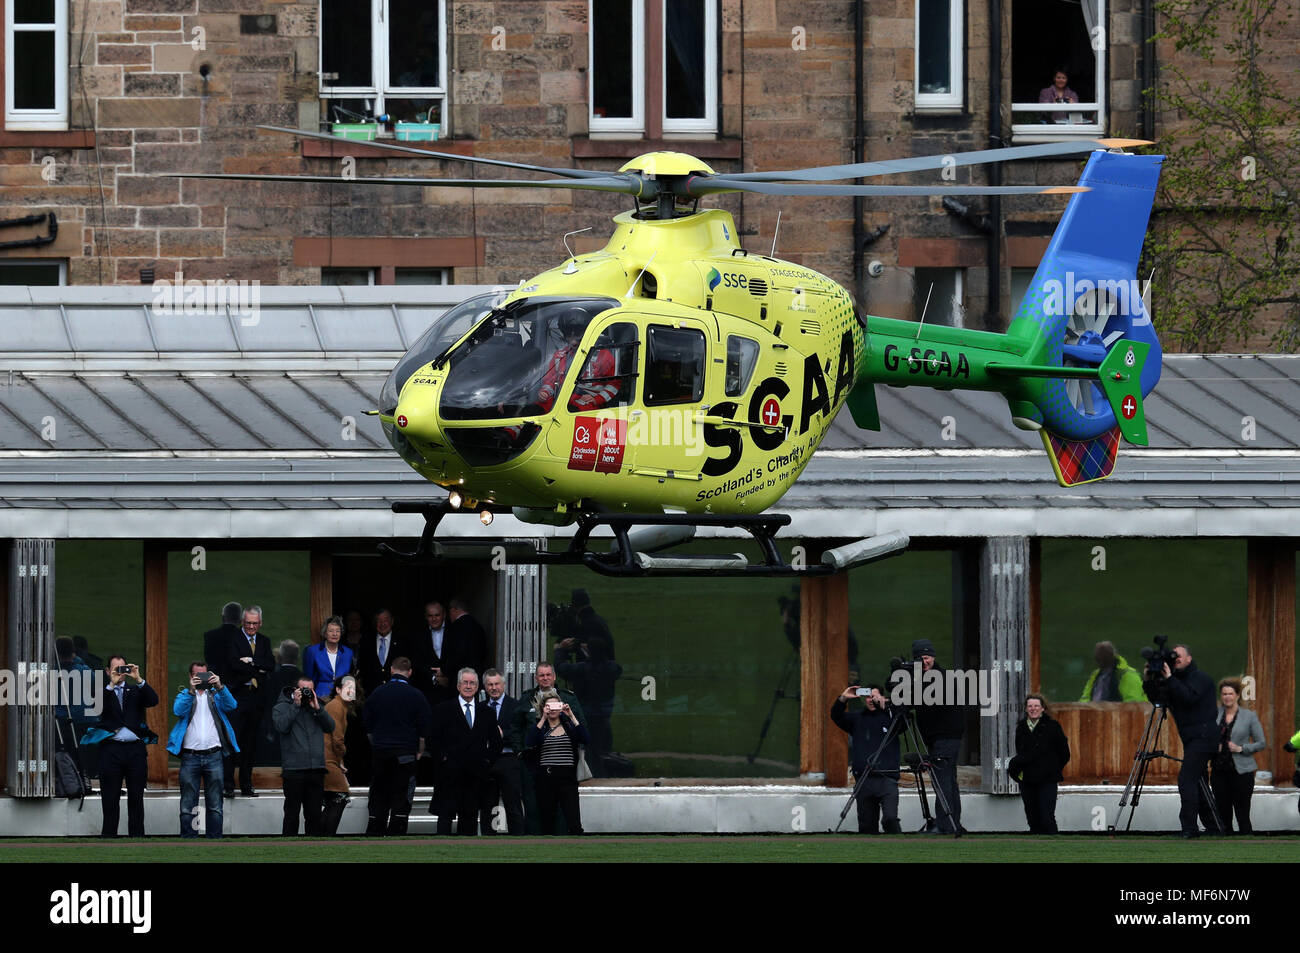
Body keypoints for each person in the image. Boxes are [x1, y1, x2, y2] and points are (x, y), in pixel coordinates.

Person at [1144, 641, 1219, 837]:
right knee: (1199, 781)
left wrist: (1169, 678)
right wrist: (1149, 679)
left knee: (1187, 779)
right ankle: (1215, 826)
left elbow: (1188, 697)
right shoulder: (1174, 681)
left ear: (1189, 658)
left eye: (1179, 656)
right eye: (1173, 657)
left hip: (1204, 737)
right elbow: (1158, 701)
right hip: (1192, 739)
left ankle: (1189, 828)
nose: (1175, 659)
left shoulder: (1200, 678)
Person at [82, 656, 158, 838]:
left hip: (135, 751)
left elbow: (153, 700)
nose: (119, 673)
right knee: (109, 797)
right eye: (115, 669)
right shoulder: (104, 692)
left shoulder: (135, 690)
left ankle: (137, 836)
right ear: (108, 671)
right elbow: (95, 709)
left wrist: (139, 679)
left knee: (136, 797)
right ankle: (108, 836)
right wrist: (111, 686)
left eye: (122, 668)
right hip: (111, 750)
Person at [554, 588, 622, 777]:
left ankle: (593, 773)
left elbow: (561, 668)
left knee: (588, 743)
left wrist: (561, 649)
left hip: (588, 703)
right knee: (600, 738)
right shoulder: (611, 667)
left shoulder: (584, 668)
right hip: (603, 705)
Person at [514, 662, 587, 834]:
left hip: (562, 764)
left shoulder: (567, 698)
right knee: (533, 805)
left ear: (554, 677)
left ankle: (561, 842)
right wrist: (519, 751)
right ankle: (534, 843)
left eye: (548, 675)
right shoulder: (527, 698)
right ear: (536, 678)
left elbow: (581, 726)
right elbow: (515, 726)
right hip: (533, 763)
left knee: (563, 807)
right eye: (541, 675)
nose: (545, 678)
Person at [167, 662, 238, 838]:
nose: (202, 678)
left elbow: (232, 706)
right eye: (198, 675)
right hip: (190, 757)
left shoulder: (216, 695)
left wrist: (220, 686)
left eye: (205, 675)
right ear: (191, 677)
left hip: (214, 755)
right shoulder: (185, 694)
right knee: (187, 804)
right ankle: (189, 839)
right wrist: (191, 691)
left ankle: (214, 840)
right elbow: (177, 710)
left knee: (215, 804)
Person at [364, 656, 432, 835]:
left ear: (391, 670)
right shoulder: (417, 696)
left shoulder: (377, 693)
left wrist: (377, 745)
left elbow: (368, 725)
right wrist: (420, 749)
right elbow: (425, 727)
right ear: (409, 673)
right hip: (406, 754)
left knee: (379, 793)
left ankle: (375, 831)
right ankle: (397, 830)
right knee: (402, 795)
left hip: (381, 752)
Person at [429, 668, 502, 835]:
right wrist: (443, 760)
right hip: (449, 774)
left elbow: (496, 743)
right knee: (445, 817)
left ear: (477, 687)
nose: (468, 686)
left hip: (475, 775)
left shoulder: (487, 712)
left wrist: (486, 762)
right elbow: (433, 740)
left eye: (472, 683)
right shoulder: (443, 709)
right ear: (458, 686)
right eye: (465, 682)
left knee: (469, 818)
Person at [831, 685, 901, 834]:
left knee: (890, 819)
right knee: (866, 827)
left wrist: (887, 706)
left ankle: (897, 847)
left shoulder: (892, 718)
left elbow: (906, 717)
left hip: (887, 778)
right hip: (864, 778)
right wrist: (843, 697)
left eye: (874, 696)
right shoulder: (857, 718)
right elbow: (836, 715)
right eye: (868, 697)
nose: (871, 700)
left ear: (882, 697)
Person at [909, 639, 964, 833]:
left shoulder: (940, 677)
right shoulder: (927, 677)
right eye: (920, 659)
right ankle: (953, 823)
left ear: (933, 657)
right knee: (948, 780)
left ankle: (944, 824)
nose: (924, 662)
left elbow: (919, 697)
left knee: (941, 780)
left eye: (927, 658)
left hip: (945, 736)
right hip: (942, 737)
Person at [273, 675, 335, 836]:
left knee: (314, 816)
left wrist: (318, 708)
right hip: (294, 770)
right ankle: (287, 853)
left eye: (310, 689)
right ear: (295, 690)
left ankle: (313, 852)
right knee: (292, 815)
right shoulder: (281, 707)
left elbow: (330, 727)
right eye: (304, 689)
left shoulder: (317, 706)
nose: (307, 692)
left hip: (316, 769)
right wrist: (296, 705)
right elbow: (282, 727)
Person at [526, 690, 591, 835]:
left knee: (574, 822)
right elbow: (530, 742)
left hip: (567, 777)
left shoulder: (569, 726)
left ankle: (578, 851)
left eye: (556, 705)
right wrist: (543, 718)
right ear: (543, 708)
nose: (553, 709)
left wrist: (571, 715)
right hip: (546, 778)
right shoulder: (541, 727)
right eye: (549, 706)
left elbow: (586, 739)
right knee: (547, 821)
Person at [224, 605, 274, 796]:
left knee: (250, 744)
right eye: (247, 623)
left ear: (260, 623)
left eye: (254, 623)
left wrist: (251, 662)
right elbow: (232, 664)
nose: (251, 627)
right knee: (233, 741)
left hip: (256, 698)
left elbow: (270, 664)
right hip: (238, 697)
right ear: (242, 622)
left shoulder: (264, 641)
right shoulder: (232, 639)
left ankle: (246, 784)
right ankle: (228, 785)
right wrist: (256, 667)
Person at [1008, 694, 1071, 833]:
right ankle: (1034, 850)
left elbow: (1064, 753)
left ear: (1043, 708)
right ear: (1026, 709)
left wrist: (1052, 768)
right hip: (1027, 779)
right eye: (1030, 706)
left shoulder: (1053, 727)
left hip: (1047, 779)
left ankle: (1054, 848)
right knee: (1032, 817)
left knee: (1046, 816)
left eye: (1036, 706)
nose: (1033, 709)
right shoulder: (1021, 728)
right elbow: (1020, 753)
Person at [1211, 677, 1265, 834]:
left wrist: (1241, 748)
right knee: (1222, 813)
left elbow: (1261, 743)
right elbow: (1206, 737)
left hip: (1242, 771)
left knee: (1242, 813)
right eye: (1224, 694)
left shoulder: (1249, 716)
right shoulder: (1214, 714)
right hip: (1219, 770)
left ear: (1237, 695)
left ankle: (1247, 847)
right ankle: (1224, 851)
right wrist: (1214, 746)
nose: (1227, 697)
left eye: (1230, 693)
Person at [481, 669, 525, 835]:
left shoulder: (515, 705)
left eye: (497, 684)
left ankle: (518, 843)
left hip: (508, 759)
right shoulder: (480, 707)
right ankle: (488, 844)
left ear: (504, 685)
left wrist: (502, 733)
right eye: (490, 684)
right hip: (487, 762)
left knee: (513, 804)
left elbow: (520, 732)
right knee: (487, 805)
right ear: (485, 686)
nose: (494, 688)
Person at [322, 675, 357, 835]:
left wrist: (340, 760)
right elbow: (337, 737)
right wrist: (342, 753)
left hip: (330, 758)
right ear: (338, 690)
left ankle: (321, 836)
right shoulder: (336, 706)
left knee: (334, 798)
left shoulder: (338, 705)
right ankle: (325, 836)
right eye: (347, 687)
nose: (351, 691)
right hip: (328, 759)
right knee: (340, 795)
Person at [357, 608, 409, 697]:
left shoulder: (403, 641)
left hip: (396, 693)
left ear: (392, 621)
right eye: (379, 621)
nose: (382, 624)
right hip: (372, 693)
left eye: (386, 620)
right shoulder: (366, 641)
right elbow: (362, 667)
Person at [303, 615, 355, 700]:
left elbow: (350, 677)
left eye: (337, 631)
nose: (335, 634)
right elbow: (308, 678)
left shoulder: (348, 652)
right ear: (325, 633)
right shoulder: (313, 651)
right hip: (320, 697)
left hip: (343, 697)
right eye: (331, 631)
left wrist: (350, 699)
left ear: (341, 633)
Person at [1079, 640, 1144, 702]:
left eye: (1104, 660)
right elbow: (1085, 698)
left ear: (1112, 657)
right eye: (1098, 660)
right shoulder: (1095, 675)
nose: (1100, 664)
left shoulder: (1127, 674)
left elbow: (1133, 703)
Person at [444, 598, 489, 682]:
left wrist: (445, 670)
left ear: (453, 609)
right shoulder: (478, 626)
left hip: (461, 676)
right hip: (477, 675)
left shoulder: (456, 627)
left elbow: (456, 653)